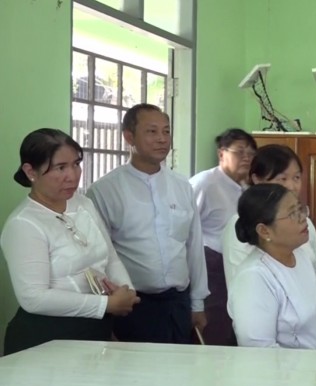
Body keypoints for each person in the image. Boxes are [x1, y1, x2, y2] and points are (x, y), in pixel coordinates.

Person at [1, 129, 139, 355]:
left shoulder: (83, 204)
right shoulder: (24, 223)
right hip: (45, 336)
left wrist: (127, 291)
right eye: (60, 167)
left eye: (76, 164)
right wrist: (106, 305)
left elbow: (110, 257)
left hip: (95, 326)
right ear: (30, 171)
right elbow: (33, 298)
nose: (73, 176)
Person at [87, 103, 210, 345]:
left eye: (166, 131)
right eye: (152, 131)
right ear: (129, 137)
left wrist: (197, 303)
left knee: (181, 365)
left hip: (178, 303)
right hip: (133, 306)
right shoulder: (104, 191)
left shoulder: (181, 186)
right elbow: (97, 257)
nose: (162, 139)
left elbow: (194, 248)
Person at [222, 144, 316, 320]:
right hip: (268, 324)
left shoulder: (304, 222)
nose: (291, 186)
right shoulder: (242, 225)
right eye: (282, 179)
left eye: (296, 177)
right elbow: (242, 291)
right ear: (257, 180)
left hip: (313, 323)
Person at [228, 183, 316, 350]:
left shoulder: (301, 255)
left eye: (300, 209)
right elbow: (259, 351)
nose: (303, 218)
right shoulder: (253, 278)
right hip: (286, 367)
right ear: (264, 231)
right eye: (292, 214)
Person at [189, 128, 257, 345]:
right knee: (216, 329)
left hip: (241, 266)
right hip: (212, 267)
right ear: (221, 153)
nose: (246, 157)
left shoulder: (247, 187)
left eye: (251, 153)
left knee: (239, 326)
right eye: (240, 151)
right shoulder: (205, 183)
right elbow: (186, 228)